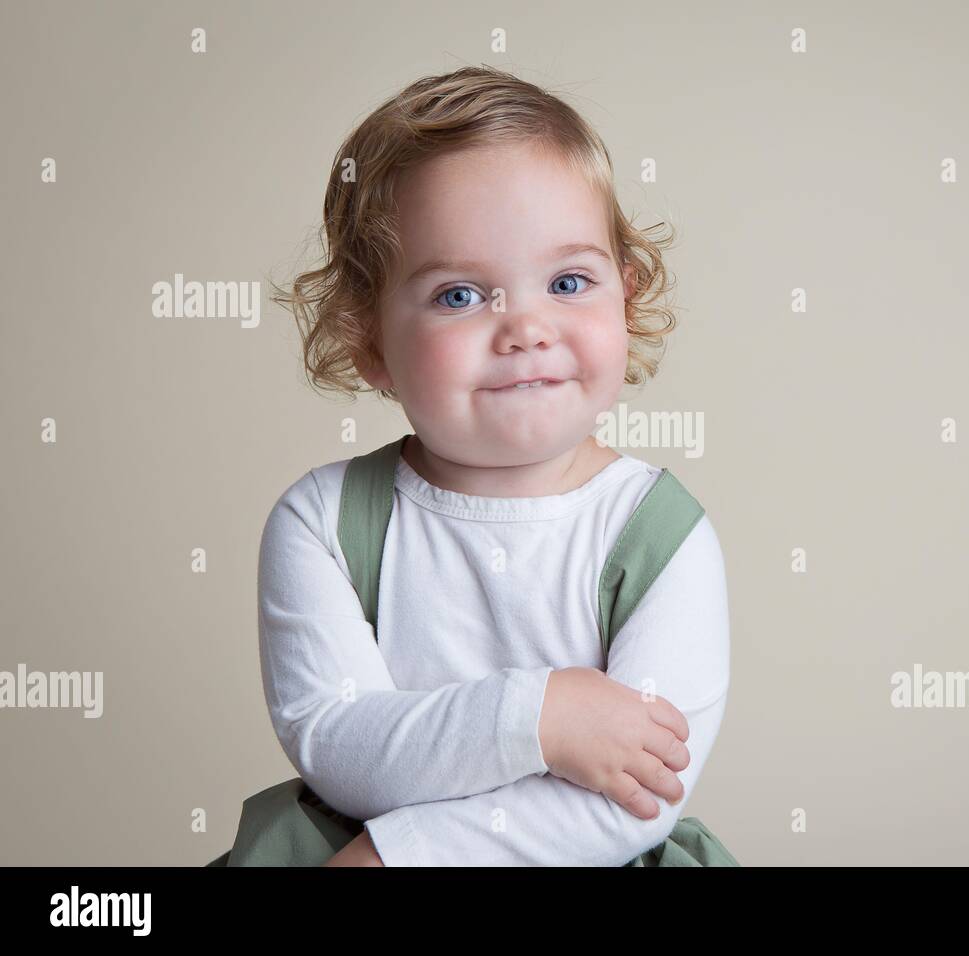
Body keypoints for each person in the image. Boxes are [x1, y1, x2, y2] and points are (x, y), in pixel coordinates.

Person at [258, 66, 731, 866]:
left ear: (629, 295)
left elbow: (641, 794)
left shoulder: (662, 537)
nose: (526, 328)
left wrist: (405, 855)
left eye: (569, 282)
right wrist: (535, 717)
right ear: (370, 341)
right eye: (460, 296)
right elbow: (339, 746)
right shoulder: (324, 521)